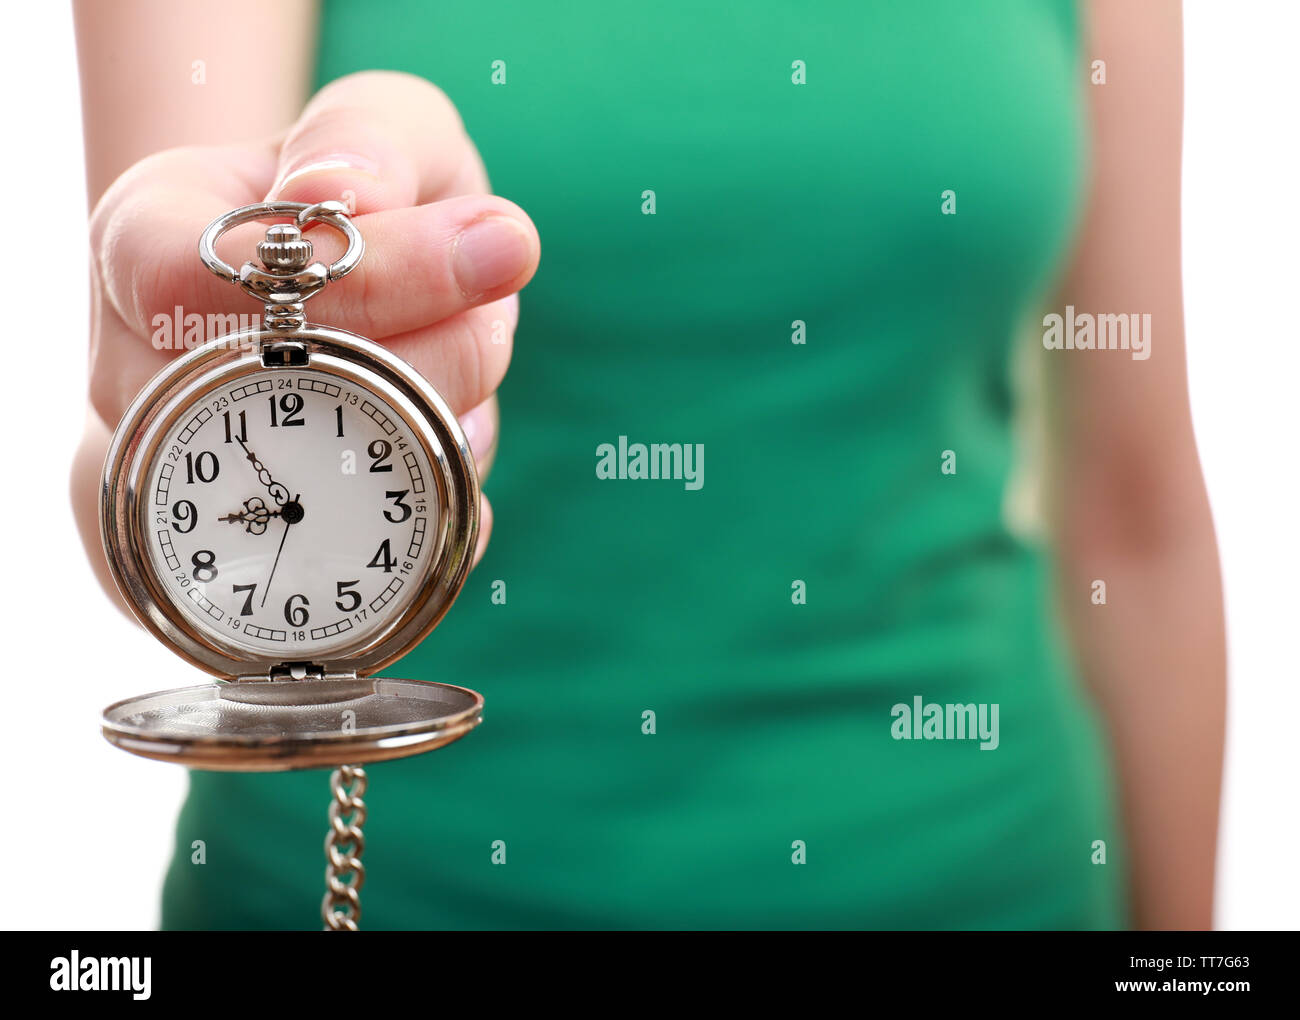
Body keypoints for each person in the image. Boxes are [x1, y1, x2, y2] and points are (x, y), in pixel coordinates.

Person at [72, 0, 1224, 929]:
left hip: (990, 877)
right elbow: (140, 402)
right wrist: (187, 372)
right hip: (372, 891)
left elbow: (1139, 515)